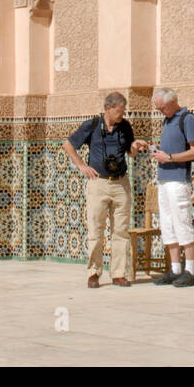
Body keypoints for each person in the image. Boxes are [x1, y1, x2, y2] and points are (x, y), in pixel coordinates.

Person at [63, 92, 142, 288]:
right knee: (96, 230)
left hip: (121, 183)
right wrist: (82, 166)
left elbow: (130, 153)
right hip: (98, 183)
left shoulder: (125, 126)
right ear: (108, 109)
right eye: (119, 111)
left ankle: (118, 274)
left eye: (123, 111)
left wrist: (135, 146)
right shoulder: (92, 125)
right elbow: (68, 144)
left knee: (121, 231)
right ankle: (93, 273)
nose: (122, 115)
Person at [149, 87, 194, 287]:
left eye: (162, 108)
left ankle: (189, 270)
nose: (161, 112)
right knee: (168, 225)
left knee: (182, 222)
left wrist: (169, 158)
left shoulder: (186, 119)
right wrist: (158, 152)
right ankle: (175, 268)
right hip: (164, 180)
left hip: (178, 180)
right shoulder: (167, 120)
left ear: (172, 103)